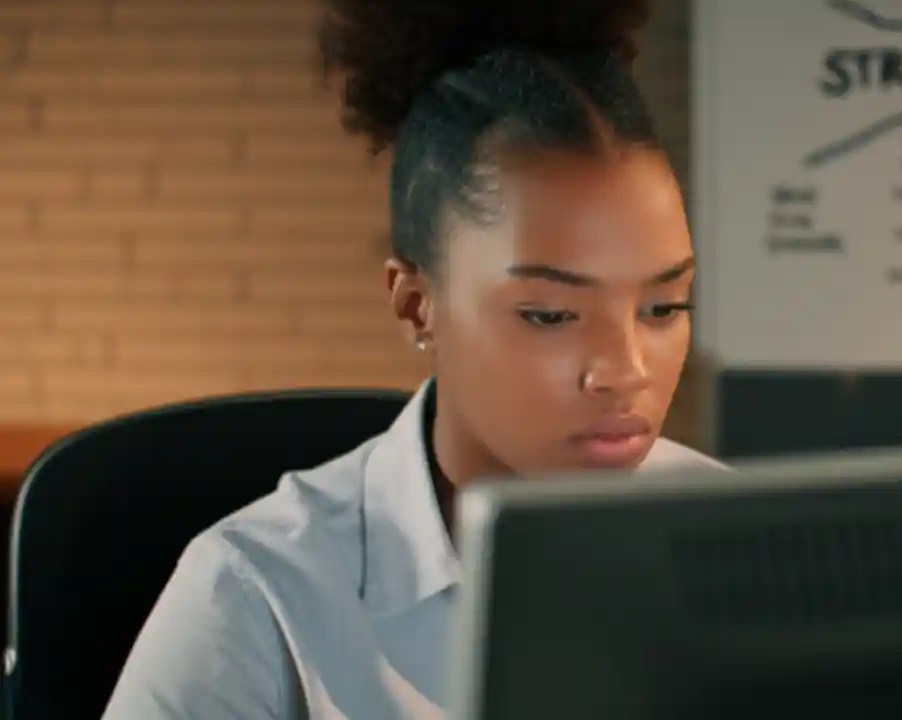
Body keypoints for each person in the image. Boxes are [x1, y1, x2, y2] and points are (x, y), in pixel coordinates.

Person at [102, 0, 725, 716]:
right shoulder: (257, 594)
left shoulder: (739, 549)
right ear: (416, 305)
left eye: (662, 308)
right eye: (550, 315)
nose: (626, 370)